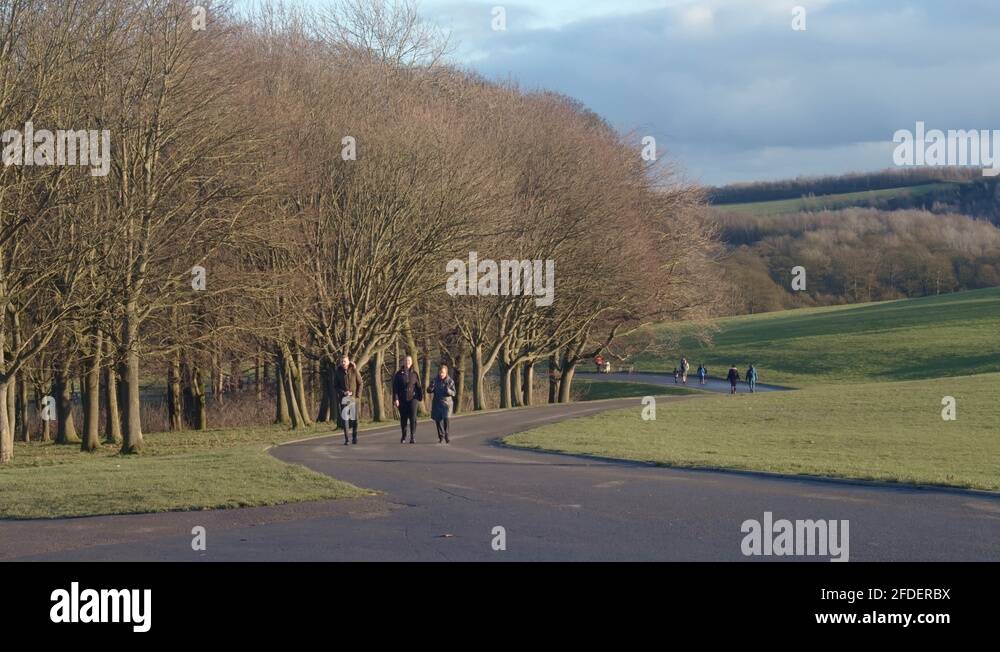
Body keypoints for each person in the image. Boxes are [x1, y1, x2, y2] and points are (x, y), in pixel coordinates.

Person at [333, 355, 363, 445]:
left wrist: (358, 395)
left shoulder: (354, 370)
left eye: (345, 361)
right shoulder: (338, 372)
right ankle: (347, 439)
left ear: (348, 361)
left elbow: (360, 383)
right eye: (342, 361)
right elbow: (335, 386)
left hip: (354, 398)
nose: (343, 363)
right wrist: (343, 392)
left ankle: (354, 437)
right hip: (344, 399)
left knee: (354, 419)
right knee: (345, 419)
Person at [392, 355, 422, 444]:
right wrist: (396, 399)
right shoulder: (398, 374)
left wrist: (420, 397)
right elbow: (395, 388)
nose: (407, 362)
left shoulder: (414, 373)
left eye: (409, 361)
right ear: (403, 362)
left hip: (413, 398)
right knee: (404, 418)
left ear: (412, 362)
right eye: (406, 361)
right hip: (402, 399)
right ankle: (404, 435)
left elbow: (418, 386)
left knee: (413, 417)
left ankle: (412, 436)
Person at [427, 364, 456, 444]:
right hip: (437, 403)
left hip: (447, 404)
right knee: (438, 421)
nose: (441, 374)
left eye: (443, 372)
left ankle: (446, 435)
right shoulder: (435, 380)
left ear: (446, 373)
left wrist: (448, 391)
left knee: (446, 419)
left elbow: (454, 393)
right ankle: (441, 436)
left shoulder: (450, 381)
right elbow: (428, 390)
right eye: (440, 372)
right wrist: (430, 388)